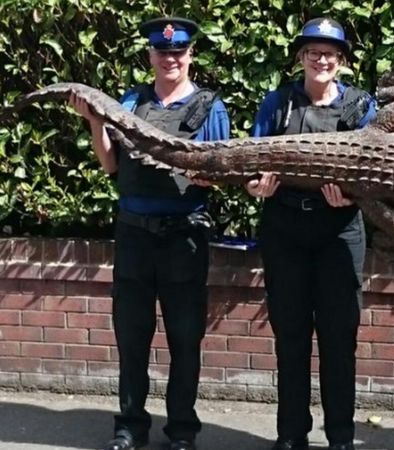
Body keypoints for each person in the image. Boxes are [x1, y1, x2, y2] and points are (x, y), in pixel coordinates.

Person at [70, 17, 230, 450]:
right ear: (151, 56)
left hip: (184, 236)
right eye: (162, 52)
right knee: (132, 337)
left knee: (184, 339)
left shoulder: (210, 107)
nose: (170, 58)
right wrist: (95, 123)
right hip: (135, 235)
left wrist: (203, 177)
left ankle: (181, 431)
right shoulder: (131, 101)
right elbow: (111, 166)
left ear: (190, 55)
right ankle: (130, 428)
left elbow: (222, 173)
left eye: (178, 52)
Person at [245, 17, 377, 450]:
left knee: (340, 338)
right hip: (285, 228)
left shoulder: (362, 108)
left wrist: (354, 198)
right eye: (313, 52)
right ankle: (290, 436)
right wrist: (255, 187)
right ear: (301, 57)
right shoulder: (277, 104)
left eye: (330, 54)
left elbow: (380, 172)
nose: (322, 60)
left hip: (339, 230)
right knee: (291, 335)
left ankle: (340, 437)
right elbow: (249, 164)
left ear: (341, 61)